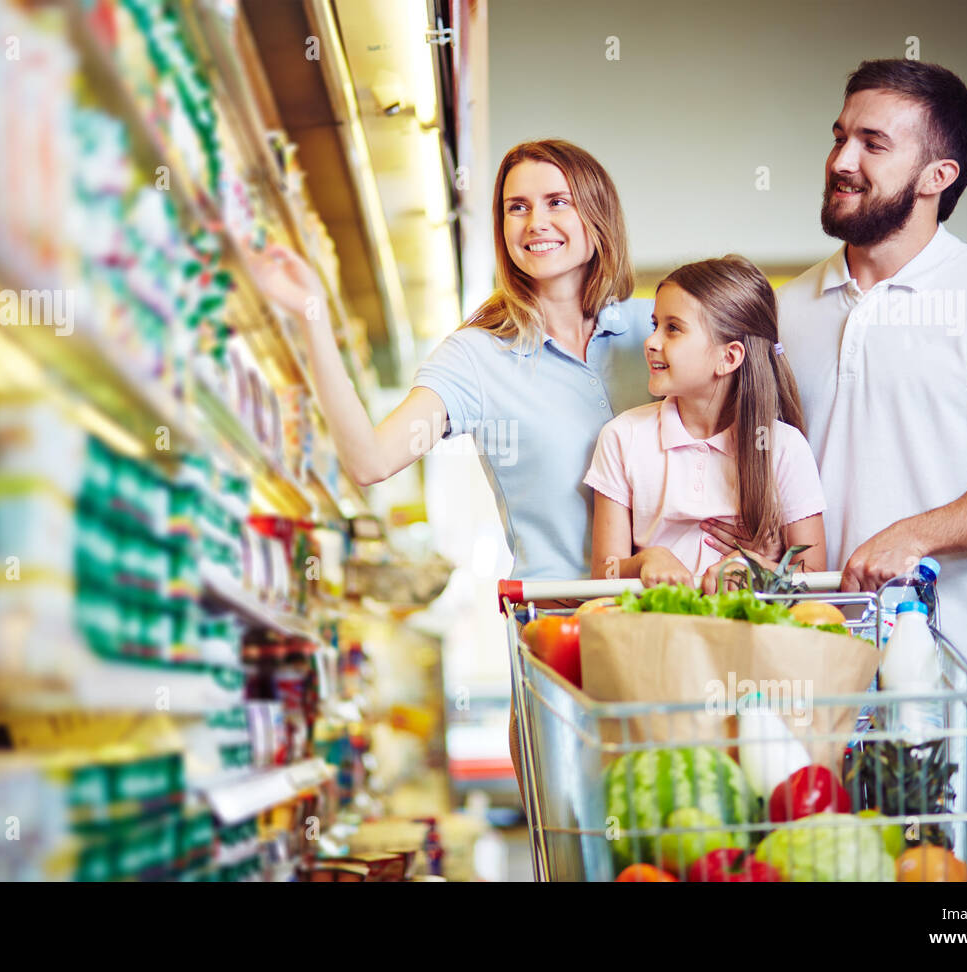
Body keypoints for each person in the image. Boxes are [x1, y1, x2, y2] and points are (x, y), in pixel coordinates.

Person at [244, 139, 662, 789]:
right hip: (562, 655)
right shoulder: (478, 358)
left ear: (597, 213)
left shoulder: (656, 331)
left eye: (557, 202)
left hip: (676, 638)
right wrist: (311, 318)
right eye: (515, 207)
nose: (535, 223)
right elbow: (372, 458)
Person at [766, 59, 967, 717]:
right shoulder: (783, 311)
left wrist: (914, 535)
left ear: (938, 176)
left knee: (923, 828)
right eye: (839, 136)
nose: (842, 159)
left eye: (873, 144)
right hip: (808, 671)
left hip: (942, 679)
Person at [586, 256, 828, 591]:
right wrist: (644, 560)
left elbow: (815, 576)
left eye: (673, 328)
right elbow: (604, 574)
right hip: (655, 636)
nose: (651, 341)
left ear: (728, 357)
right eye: (655, 324)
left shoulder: (784, 446)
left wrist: (761, 571)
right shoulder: (621, 437)